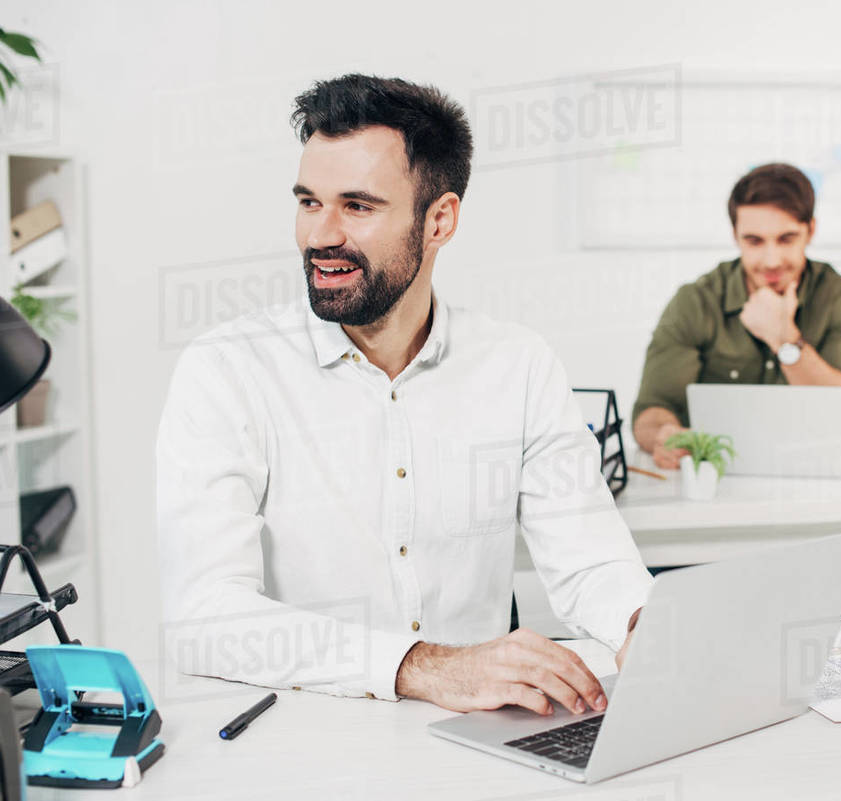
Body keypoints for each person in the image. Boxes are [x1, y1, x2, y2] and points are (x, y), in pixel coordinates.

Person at [157, 74, 653, 718]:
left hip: (478, 738)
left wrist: (643, 625)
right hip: (302, 737)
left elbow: (590, 561)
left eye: (358, 206)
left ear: (439, 220)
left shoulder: (518, 364)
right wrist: (424, 668)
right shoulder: (226, 370)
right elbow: (203, 616)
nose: (320, 235)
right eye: (310, 202)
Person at [633, 163, 841, 468]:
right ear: (735, 235)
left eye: (786, 239)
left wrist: (784, 338)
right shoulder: (695, 301)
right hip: (716, 479)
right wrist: (663, 436)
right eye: (754, 241)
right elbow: (650, 410)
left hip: (812, 473)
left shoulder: (839, 297)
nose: (771, 261)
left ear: (810, 230)